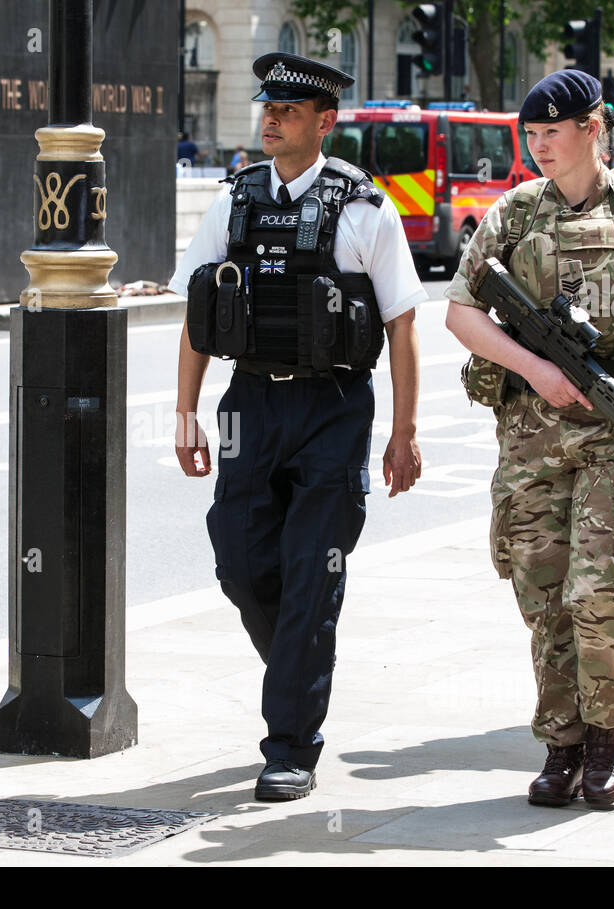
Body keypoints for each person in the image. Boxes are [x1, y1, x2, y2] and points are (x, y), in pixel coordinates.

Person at [445, 69, 614, 808]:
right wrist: (533, 367)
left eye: (552, 135)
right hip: (532, 441)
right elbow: (461, 313)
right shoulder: (515, 213)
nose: (539, 149)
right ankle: (560, 743)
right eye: (531, 136)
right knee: (541, 595)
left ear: (593, 130)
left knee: (599, 592)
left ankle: (606, 737)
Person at [170, 53, 427, 801]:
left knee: (314, 575)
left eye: (288, 109)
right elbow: (196, 316)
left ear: (325, 121)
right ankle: (296, 664)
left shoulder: (365, 209)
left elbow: (403, 326)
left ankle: (289, 745)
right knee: (241, 564)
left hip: (334, 410)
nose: (271, 117)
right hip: (250, 402)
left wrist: (403, 433)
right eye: (268, 107)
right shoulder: (233, 202)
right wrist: (184, 410)